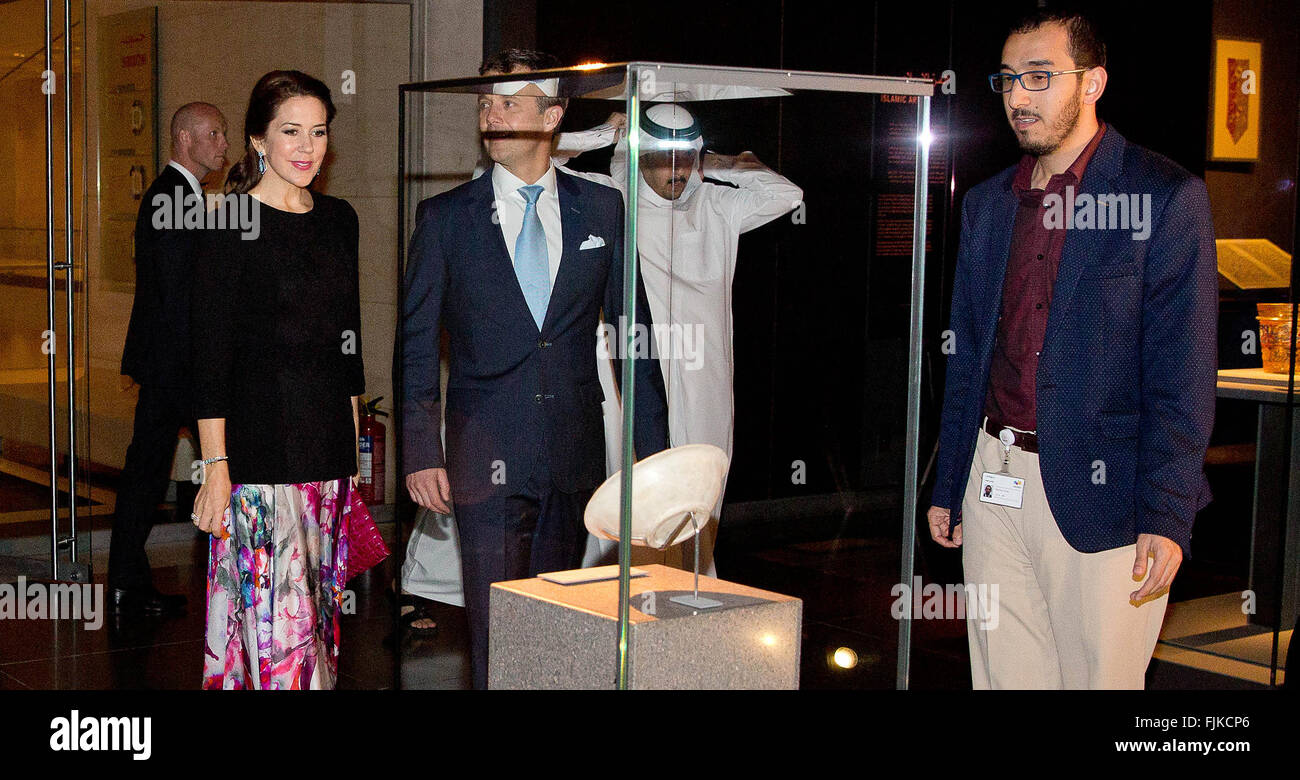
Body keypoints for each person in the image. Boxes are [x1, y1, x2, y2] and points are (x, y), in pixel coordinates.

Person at [927, 11, 1216, 689]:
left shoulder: (1164, 196)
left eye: (1040, 77)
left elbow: (1184, 373)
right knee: (1004, 678)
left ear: (1093, 84)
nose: (1018, 98)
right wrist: (950, 483)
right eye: (1007, 80)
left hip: (1107, 494)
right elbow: (968, 356)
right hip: (993, 478)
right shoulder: (989, 203)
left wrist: (1167, 514)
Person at [402, 48, 669, 689]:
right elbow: (414, 342)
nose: (492, 115)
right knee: (498, 625)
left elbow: (635, 336)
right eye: (486, 103)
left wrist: (653, 457)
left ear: (552, 116)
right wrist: (418, 450)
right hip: (479, 452)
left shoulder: (601, 209)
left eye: (510, 103)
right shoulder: (445, 219)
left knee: (561, 619)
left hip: (573, 447)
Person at [558, 104, 803, 576]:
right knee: (633, 492)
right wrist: (604, 134)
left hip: (706, 375)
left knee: (701, 490)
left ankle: (687, 598)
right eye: (660, 157)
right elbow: (536, 162)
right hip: (635, 375)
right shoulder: (614, 199)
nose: (675, 171)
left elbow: (787, 193)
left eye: (684, 157)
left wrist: (718, 162)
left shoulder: (717, 205)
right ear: (638, 155)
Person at [190, 71, 365, 690]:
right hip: (259, 457)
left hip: (328, 455)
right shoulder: (227, 223)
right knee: (277, 627)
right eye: (291, 131)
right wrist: (215, 467)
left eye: (318, 132)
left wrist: (356, 450)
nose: (307, 146)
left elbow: (349, 345)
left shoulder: (340, 220)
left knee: (313, 622)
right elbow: (208, 361)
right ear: (258, 140)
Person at [111, 102, 228, 615]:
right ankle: (131, 582)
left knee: (150, 468)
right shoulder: (175, 198)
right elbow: (182, 294)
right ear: (184, 139)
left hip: (167, 361)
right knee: (155, 469)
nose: (222, 143)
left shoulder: (180, 196)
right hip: (175, 363)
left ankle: (126, 581)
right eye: (214, 133)